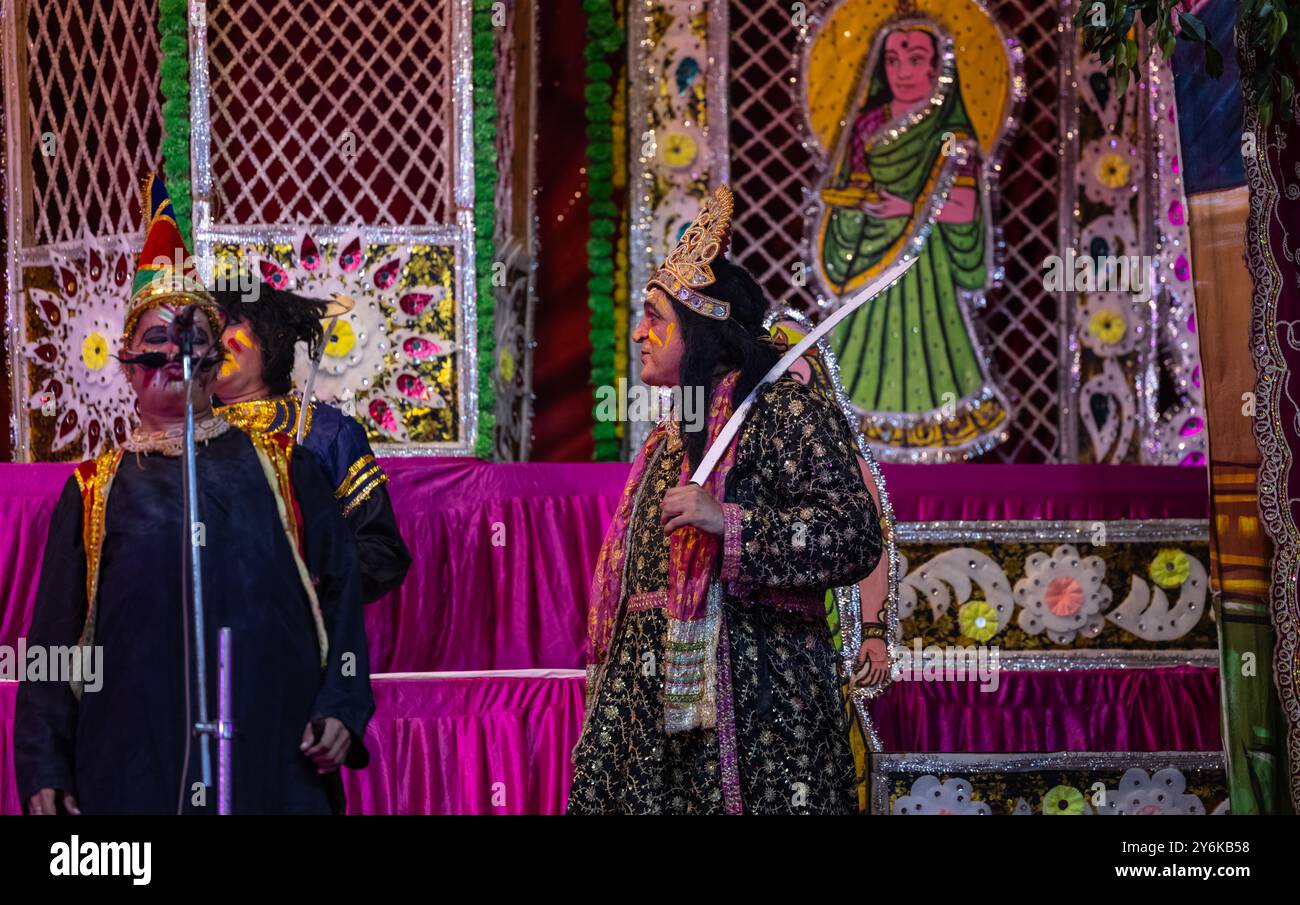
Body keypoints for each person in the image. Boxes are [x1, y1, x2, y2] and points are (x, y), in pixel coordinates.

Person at [15, 175, 373, 814]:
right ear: (128, 366)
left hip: (276, 754)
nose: (173, 353)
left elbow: (342, 591)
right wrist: (44, 761)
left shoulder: (285, 466)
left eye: (190, 339)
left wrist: (343, 704)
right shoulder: (93, 490)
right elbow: (52, 640)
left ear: (212, 363)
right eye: (155, 341)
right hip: (131, 761)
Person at [567, 185, 883, 814]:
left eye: (655, 318)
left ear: (702, 330)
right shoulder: (669, 436)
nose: (639, 333)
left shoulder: (782, 411)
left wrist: (731, 523)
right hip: (653, 712)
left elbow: (854, 533)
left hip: (762, 703)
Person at [211, 281, 411, 602]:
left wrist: (309, 584)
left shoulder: (325, 431)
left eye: (230, 322)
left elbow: (382, 553)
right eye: (205, 327)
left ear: (270, 335)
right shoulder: (183, 433)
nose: (212, 337)